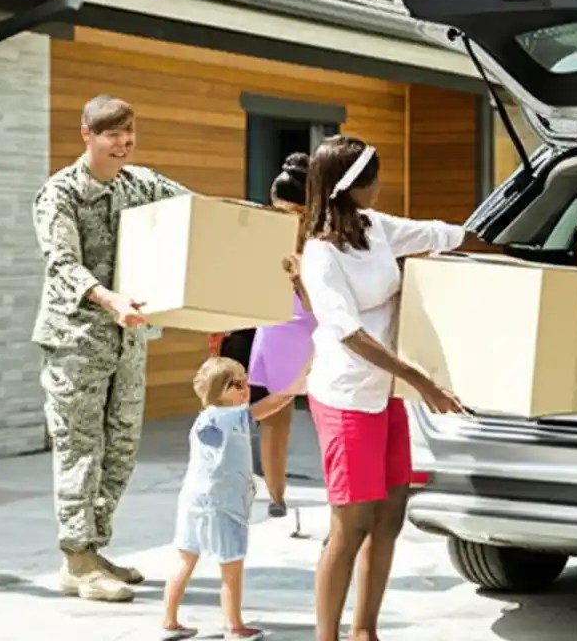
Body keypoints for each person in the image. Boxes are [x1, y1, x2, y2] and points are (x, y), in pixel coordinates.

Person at [298, 135, 468, 641]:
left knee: (390, 515)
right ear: (350, 186)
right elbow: (347, 334)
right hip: (347, 395)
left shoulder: (376, 228)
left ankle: (364, 632)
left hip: (387, 392)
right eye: (372, 176)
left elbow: (440, 235)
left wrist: (505, 232)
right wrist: (422, 381)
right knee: (350, 525)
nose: (380, 184)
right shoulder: (321, 253)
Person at [32, 95, 191, 602]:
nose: (122, 142)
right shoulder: (58, 194)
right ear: (87, 135)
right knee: (80, 449)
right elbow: (62, 264)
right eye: (111, 134)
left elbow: (194, 209)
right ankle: (76, 561)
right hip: (77, 341)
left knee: (120, 450)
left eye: (128, 132)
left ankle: (95, 550)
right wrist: (109, 299)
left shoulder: (139, 184)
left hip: (128, 340)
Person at [160, 357, 292, 641]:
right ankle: (234, 626)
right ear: (218, 391)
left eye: (244, 381)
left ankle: (169, 620)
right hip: (223, 504)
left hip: (194, 500)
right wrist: (292, 389)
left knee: (185, 558)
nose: (244, 388)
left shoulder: (205, 417)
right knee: (231, 566)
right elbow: (264, 409)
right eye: (236, 384)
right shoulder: (231, 416)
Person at [246, 153, 314, 518]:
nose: (287, 219)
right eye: (279, 210)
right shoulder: (267, 235)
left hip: (318, 325)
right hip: (276, 324)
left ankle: (342, 497)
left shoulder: (326, 240)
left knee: (328, 412)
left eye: (294, 212)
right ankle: (276, 497)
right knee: (275, 416)